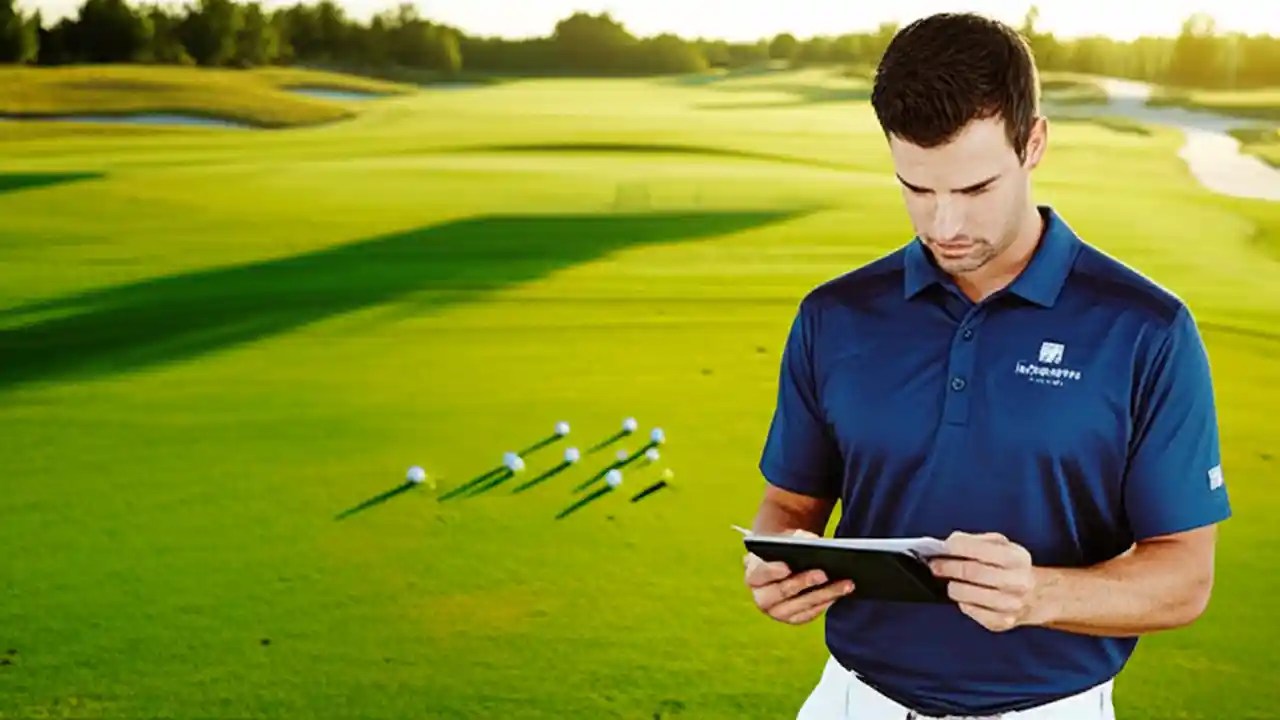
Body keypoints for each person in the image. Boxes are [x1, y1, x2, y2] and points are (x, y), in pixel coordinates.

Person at [742, 11, 1232, 720]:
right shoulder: (834, 315)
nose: (944, 226)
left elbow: (1185, 576)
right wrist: (777, 567)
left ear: (1033, 143)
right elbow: (790, 506)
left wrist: (1041, 594)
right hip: (851, 701)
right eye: (917, 188)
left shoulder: (1147, 329)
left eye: (973, 190)